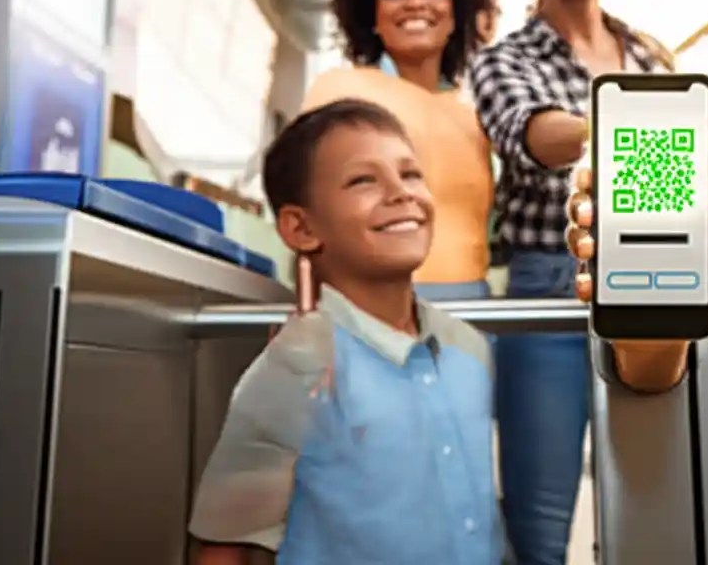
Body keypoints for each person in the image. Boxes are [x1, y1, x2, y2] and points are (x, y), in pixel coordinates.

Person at [468, 0, 686, 564]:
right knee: (540, 516)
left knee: (662, 491)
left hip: (653, 263)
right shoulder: (506, 59)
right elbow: (528, 135)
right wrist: (633, 124)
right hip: (548, 288)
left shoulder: (650, 55)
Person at [189, 99, 505, 564]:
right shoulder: (300, 362)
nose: (401, 194)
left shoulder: (470, 350)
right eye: (363, 180)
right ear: (301, 228)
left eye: (411, 174)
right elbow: (222, 546)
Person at [302, 0, 499, 302]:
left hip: (473, 310)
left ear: (456, 13)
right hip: (367, 304)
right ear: (371, 16)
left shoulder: (476, 115)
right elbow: (309, 205)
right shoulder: (340, 90)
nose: (415, 3)